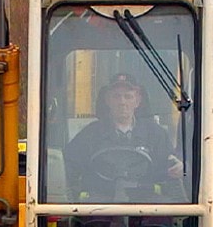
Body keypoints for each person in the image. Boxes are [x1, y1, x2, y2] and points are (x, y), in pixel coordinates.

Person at [61, 73, 184, 201]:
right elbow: (67, 168)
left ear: (137, 101)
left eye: (128, 97)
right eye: (117, 96)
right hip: (99, 209)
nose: (122, 102)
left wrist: (180, 168)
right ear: (108, 100)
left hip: (146, 208)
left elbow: (172, 166)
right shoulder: (89, 135)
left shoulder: (156, 134)